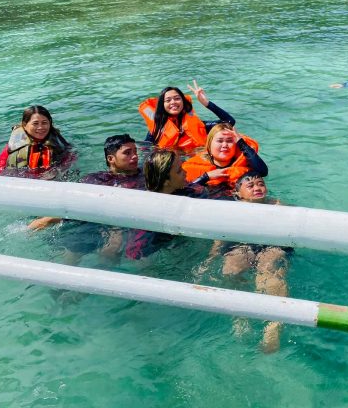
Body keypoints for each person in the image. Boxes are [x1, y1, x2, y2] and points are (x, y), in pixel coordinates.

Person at [202, 172, 289, 353]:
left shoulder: (276, 204)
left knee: (269, 270)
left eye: (261, 183)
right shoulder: (233, 209)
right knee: (231, 270)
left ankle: (273, 327)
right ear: (237, 193)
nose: (257, 187)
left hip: (271, 245)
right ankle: (240, 314)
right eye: (250, 186)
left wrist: (282, 210)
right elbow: (220, 235)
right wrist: (212, 257)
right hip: (241, 244)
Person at [28, 134, 143, 265]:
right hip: (91, 221)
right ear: (111, 159)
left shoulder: (146, 177)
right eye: (127, 153)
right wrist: (49, 219)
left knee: (111, 249)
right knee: (73, 250)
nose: (135, 156)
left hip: (120, 223)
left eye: (135, 151)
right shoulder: (96, 179)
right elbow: (74, 202)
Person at [124, 148, 206, 260]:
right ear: (166, 181)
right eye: (179, 171)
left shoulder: (192, 192)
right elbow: (133, 255)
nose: (185, 172)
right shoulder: (147, 210)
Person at [139, 80, 235, 153]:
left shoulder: (199, 125)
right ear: (162, 105)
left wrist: (206, 103)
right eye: (168, 100)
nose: (173, 102)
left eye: (177, 98)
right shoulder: (157, 130)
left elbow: (229, 122)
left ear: (183, 102)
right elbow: (145, 150)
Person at [0, 105, 74, 178]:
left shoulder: (59, 143)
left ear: (50, 123)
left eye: (44, 123)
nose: (40, 127)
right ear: (24, 125)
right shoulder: (13, 147)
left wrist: (58, 171)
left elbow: (70, 158)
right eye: (35, 123)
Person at [182, 123, 268, 191]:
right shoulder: (193, 166)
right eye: (220, 141)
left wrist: (241, 142)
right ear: (209, 146)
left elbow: (263, 172)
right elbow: (184, 191)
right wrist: (206, 177)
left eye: (229, 141)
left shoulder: (245, 166)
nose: (225, 145)